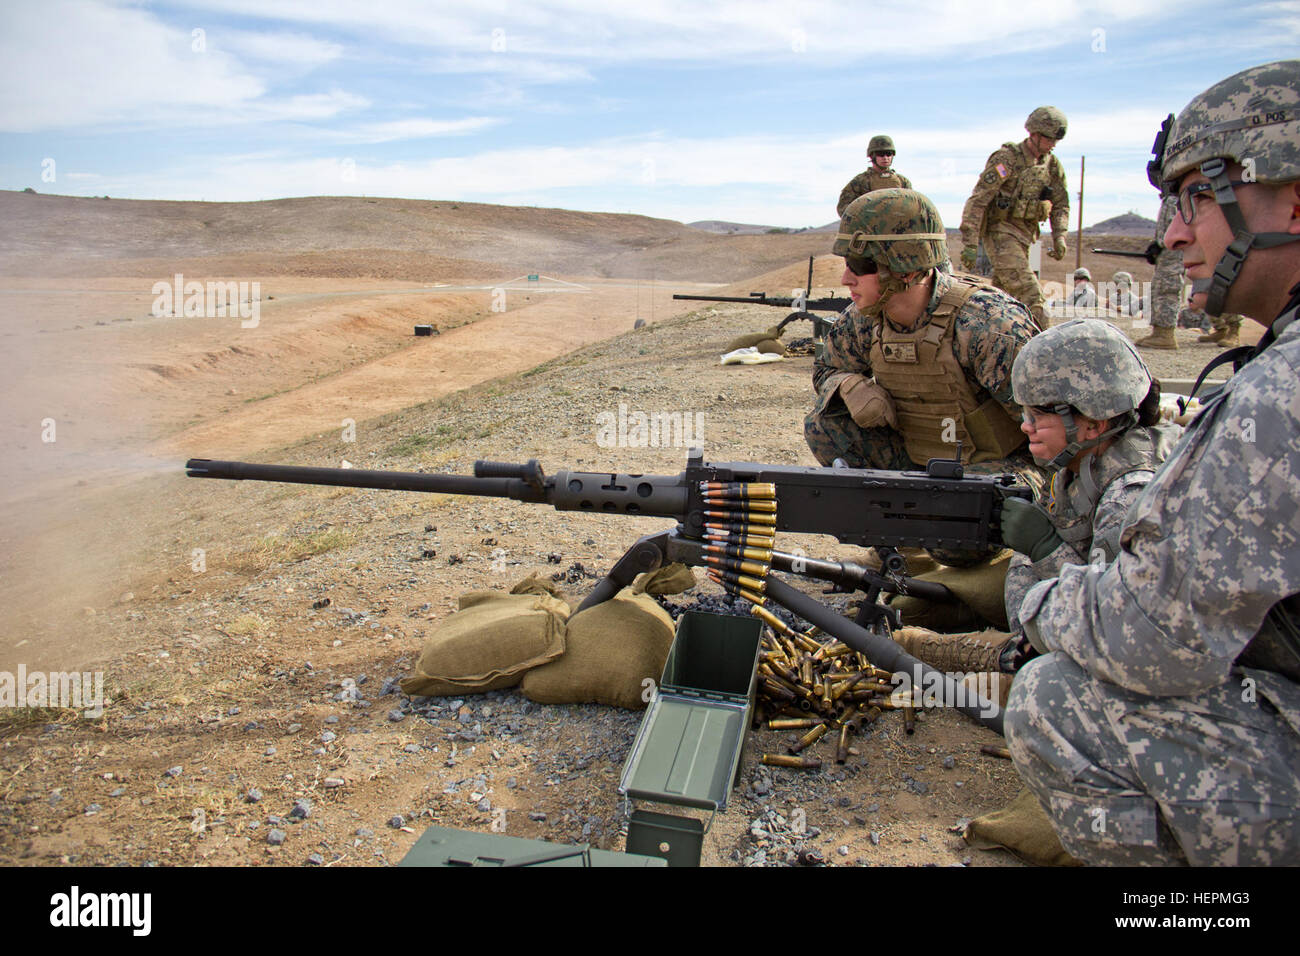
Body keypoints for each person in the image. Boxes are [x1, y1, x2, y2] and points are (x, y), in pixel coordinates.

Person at [1004, 60, 1300, 866]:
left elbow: (1152, 638)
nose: (1170, 233)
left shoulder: (1280, 396)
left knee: (1054, 701)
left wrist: (1035, 590)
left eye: (1197, 198)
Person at [892, 320, 1179, 675]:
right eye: (1026, 413)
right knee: (917, 601)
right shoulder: (1083, 461)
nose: (1025, 425)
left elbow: (1120, 624)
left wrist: (1045, 548)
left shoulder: (1128, 497)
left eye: (1040, 415)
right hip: (1064, 615)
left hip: (1123, 655)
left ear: (1094, 421)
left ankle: (994, 654)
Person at [960, 107, 1071, 328]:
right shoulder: (1007, 159)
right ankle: (1047, 344)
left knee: (1004, 297)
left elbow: (1061, 203)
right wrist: (970, 243)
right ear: (1035, 134)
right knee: (1030, 292)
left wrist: (1060, 236)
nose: (1053, 144)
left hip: (1025, 236)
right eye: (1049, 139)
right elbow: (979, 199)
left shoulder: (1051, 164)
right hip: (1000, 232)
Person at [1136, 196, 1183, 349]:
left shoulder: (1177, 196)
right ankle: (1160, 332)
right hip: (1168, 248)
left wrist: (1162, 243)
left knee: (1167, 286)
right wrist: (1158, 245)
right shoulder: (1172, 197)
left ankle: (1165, 334)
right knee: (1160, 286)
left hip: (1174, 248)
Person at [837, 135, 913, 217]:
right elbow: (844, 208)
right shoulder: (860, 181)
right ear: (872, 156)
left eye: (888, 154)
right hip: (869, 227)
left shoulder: (902, 181)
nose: (885, 158)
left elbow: (912, 206)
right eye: (881, 154)